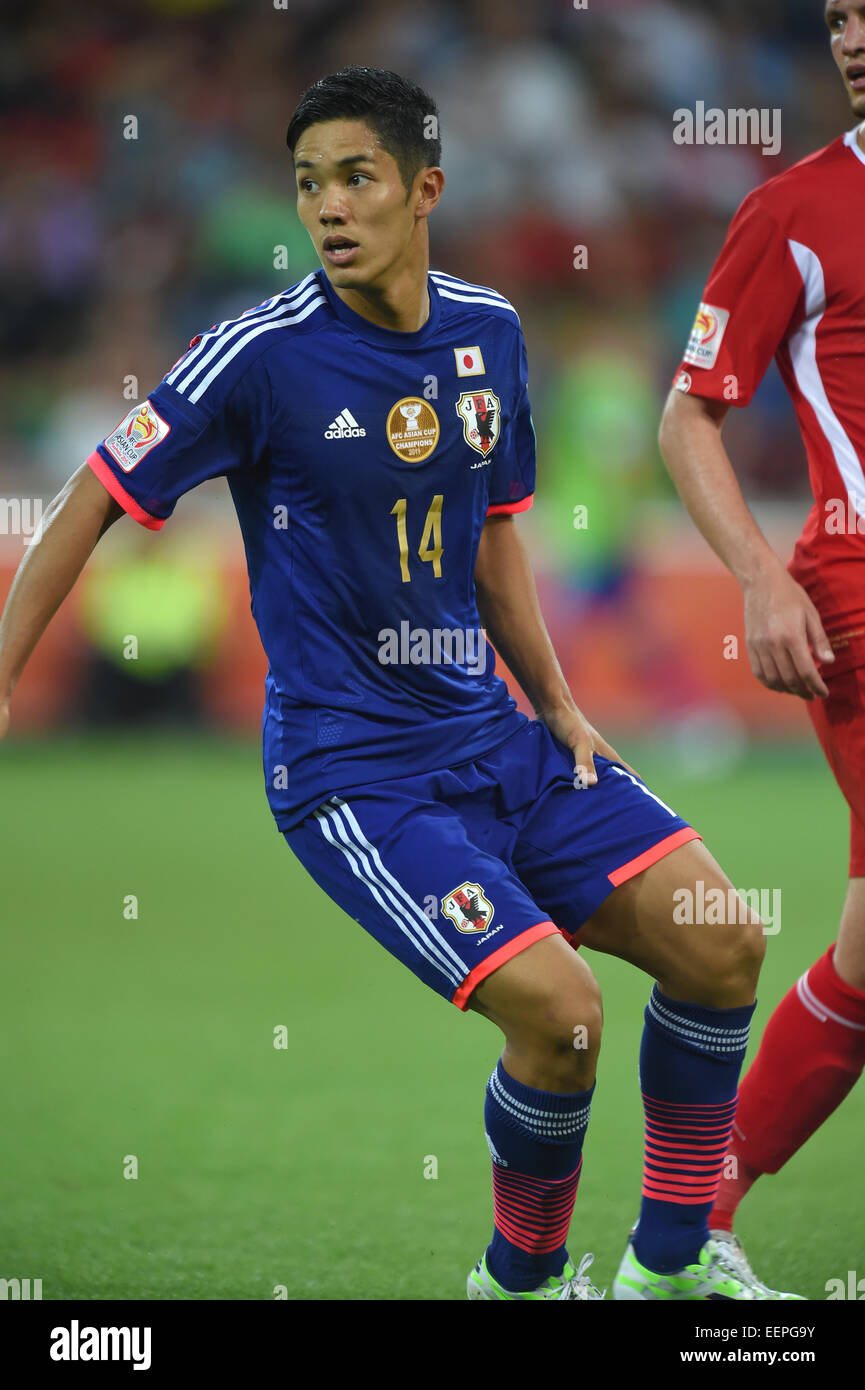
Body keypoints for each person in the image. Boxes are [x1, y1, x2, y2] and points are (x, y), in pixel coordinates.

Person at [0, 65, 798, 1301]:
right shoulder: (255, 355)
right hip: (356, 775)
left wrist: (559, 701)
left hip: (498, 732)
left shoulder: (488, 333)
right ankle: (519, 1286)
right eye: (309, 182)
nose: (327, 204)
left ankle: (671, 1267)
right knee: (564, 1015)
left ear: (424, 188)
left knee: (725, 943)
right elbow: (92, 499)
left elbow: (492, 539)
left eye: (356, 176)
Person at [659, 0, 865, 1293]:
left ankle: (688, 1215)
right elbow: (687, 419)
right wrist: (754, 574)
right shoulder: (796, 208)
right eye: (839, 12)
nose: (853, 32)